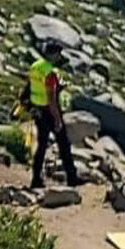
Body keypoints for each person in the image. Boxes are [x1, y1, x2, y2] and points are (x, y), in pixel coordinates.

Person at [28, 41, 80, 189]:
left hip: (37, 109)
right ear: (54, 54)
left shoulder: (35, 66)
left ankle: (35, 178)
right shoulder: (50, 72)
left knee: (41, 145)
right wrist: (57, 119)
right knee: (63, 145)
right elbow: (51, 98)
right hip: (49, 112)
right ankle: (72, 178)